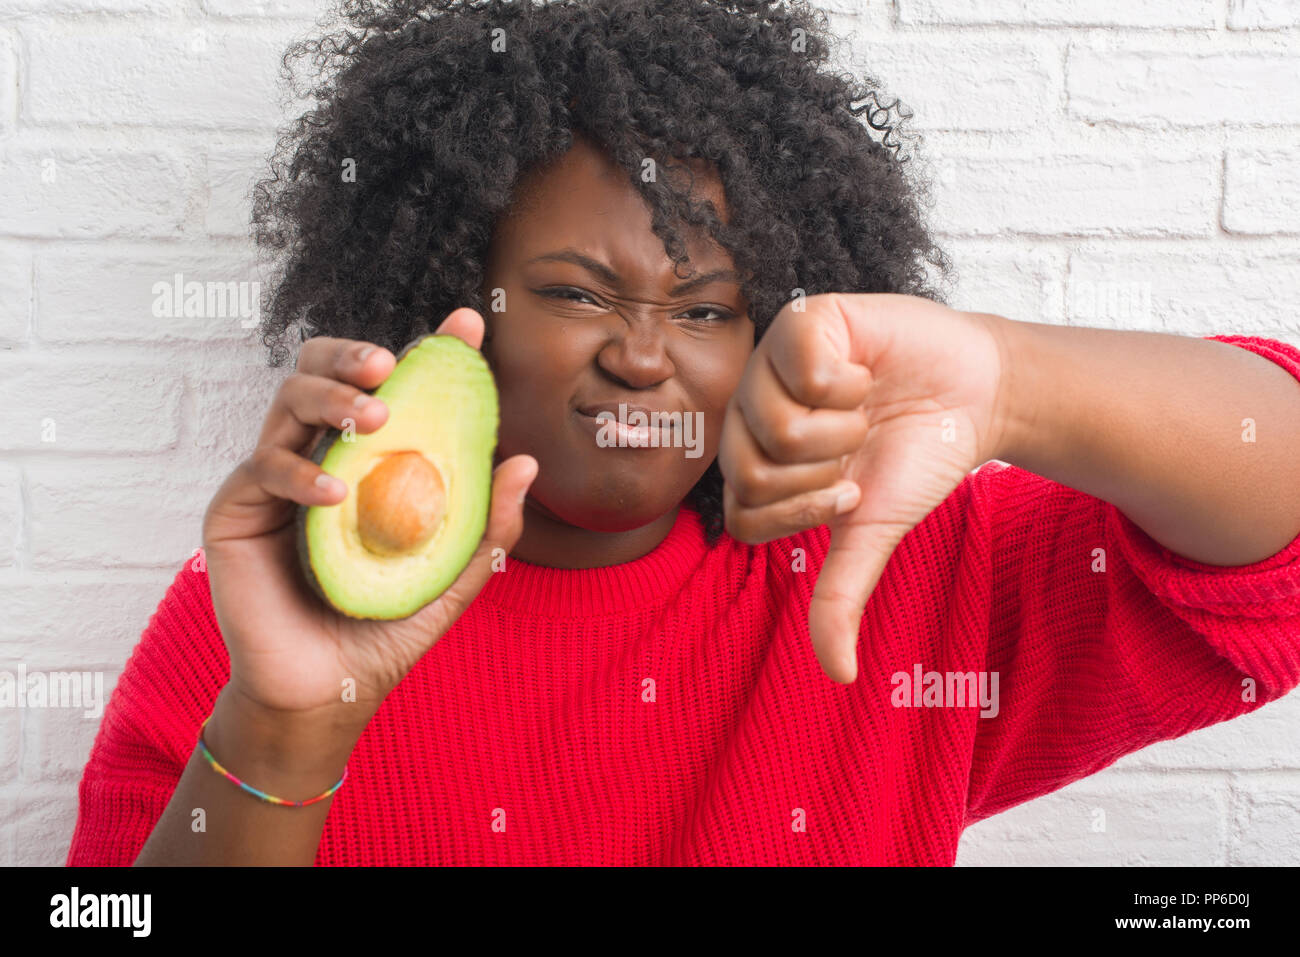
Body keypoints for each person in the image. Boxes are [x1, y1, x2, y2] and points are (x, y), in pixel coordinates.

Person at [67, 0, 1300, 866]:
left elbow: (1273, 526)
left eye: (706, 308)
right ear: (451, 305)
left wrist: (1011, 378)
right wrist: (284, 730)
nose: (645, 353)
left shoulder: (880, 575)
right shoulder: (261, 616)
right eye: (574, 293)